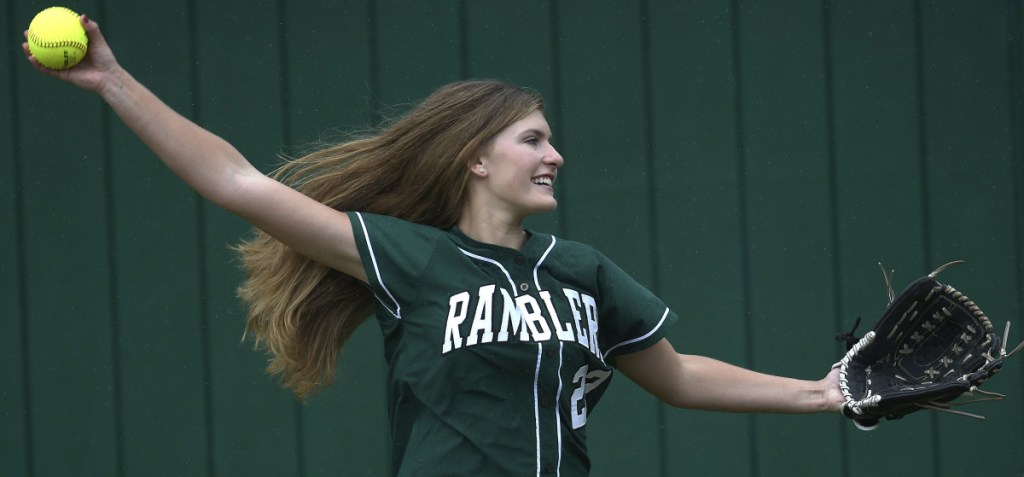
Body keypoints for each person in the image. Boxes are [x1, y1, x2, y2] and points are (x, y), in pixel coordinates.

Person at [25, 15, 845, 476]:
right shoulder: (410, 258)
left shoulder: (582, 272)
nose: (554, 153)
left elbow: (679, 375)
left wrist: (819, 393)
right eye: (532, 138)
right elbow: (238, 183)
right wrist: (114, 81)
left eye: (552, 140)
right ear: (476, 159)